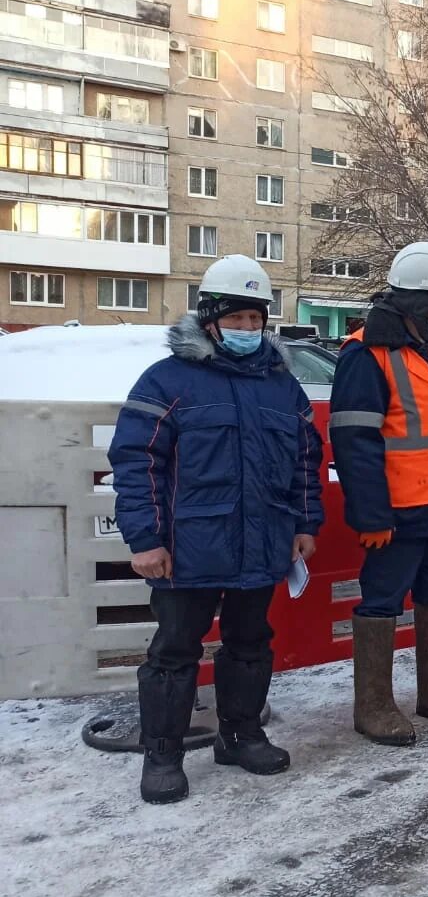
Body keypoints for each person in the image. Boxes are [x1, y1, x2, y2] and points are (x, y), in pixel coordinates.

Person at [109, 255, 323, 804]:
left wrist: (304, 523)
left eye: (255, 319)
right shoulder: (168, 380)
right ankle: (163, 753)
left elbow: (305, 461)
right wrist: (146, 540)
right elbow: (137, 462)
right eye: (236, 319)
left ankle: (241, 735)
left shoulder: (281, 385)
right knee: (175, 651)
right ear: (210, 320)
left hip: (263, 540)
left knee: (250, 643)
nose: (247, 328)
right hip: (188, 548)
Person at [331, 241, 428, 746]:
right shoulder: (366, 354)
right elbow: (355, 443)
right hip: (396, 512)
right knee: (382, 600)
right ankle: (373, 706)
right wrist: (372, 515)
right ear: (421, 302)